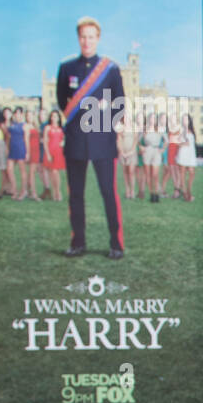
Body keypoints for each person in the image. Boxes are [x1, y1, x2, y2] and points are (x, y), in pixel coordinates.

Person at [55, 17, 125, 258]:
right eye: (83, 36)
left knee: (108, 193)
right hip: (75, 140)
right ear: (78, 38)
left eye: (91, 37)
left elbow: (119, 105)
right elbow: (62, 100)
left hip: (103, 141)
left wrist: (105, 124)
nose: (87, 41)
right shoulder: (66, 69)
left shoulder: (110, 69)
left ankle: (116, 243)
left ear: (98, 38)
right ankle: (78, 242)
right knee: (76, 195)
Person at [42, 108, 66, 203]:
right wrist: (47, 154)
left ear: (58, 118)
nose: (54, 118)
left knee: (56, 173)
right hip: (50, 151)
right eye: (52, 116)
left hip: (58, 152)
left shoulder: (61, 128)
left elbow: (65, 138)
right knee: (52, 173)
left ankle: (58, 192)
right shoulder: (47, 128)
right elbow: (45, 141)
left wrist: (63, 142)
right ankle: (54, 193)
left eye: (56, 116)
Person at [177, 113, 198, 201]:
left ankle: (189, 191)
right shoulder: (181, 130)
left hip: (191, 154)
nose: (185, 121)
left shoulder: (192, 130)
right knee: (182, 175)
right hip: (183, 154)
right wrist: (183, 143)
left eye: (187, 119)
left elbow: (192, 143)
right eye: (184, 119)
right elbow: (179, 142)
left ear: (189, 121)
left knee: (192, 173)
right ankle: (186, 194)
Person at [6, 106, 26, 200]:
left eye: (19, 113)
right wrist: (7, 148)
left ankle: (23, 191)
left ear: (22, 114)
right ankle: (14, 190)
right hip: (12, 150)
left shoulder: (24, 125)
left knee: (22, 172)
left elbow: (26, 139)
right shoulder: (11, 125)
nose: (17, 115)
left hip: (21, 149)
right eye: (16, 113)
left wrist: (28, 152)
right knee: (9, 169)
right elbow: (8, 137)